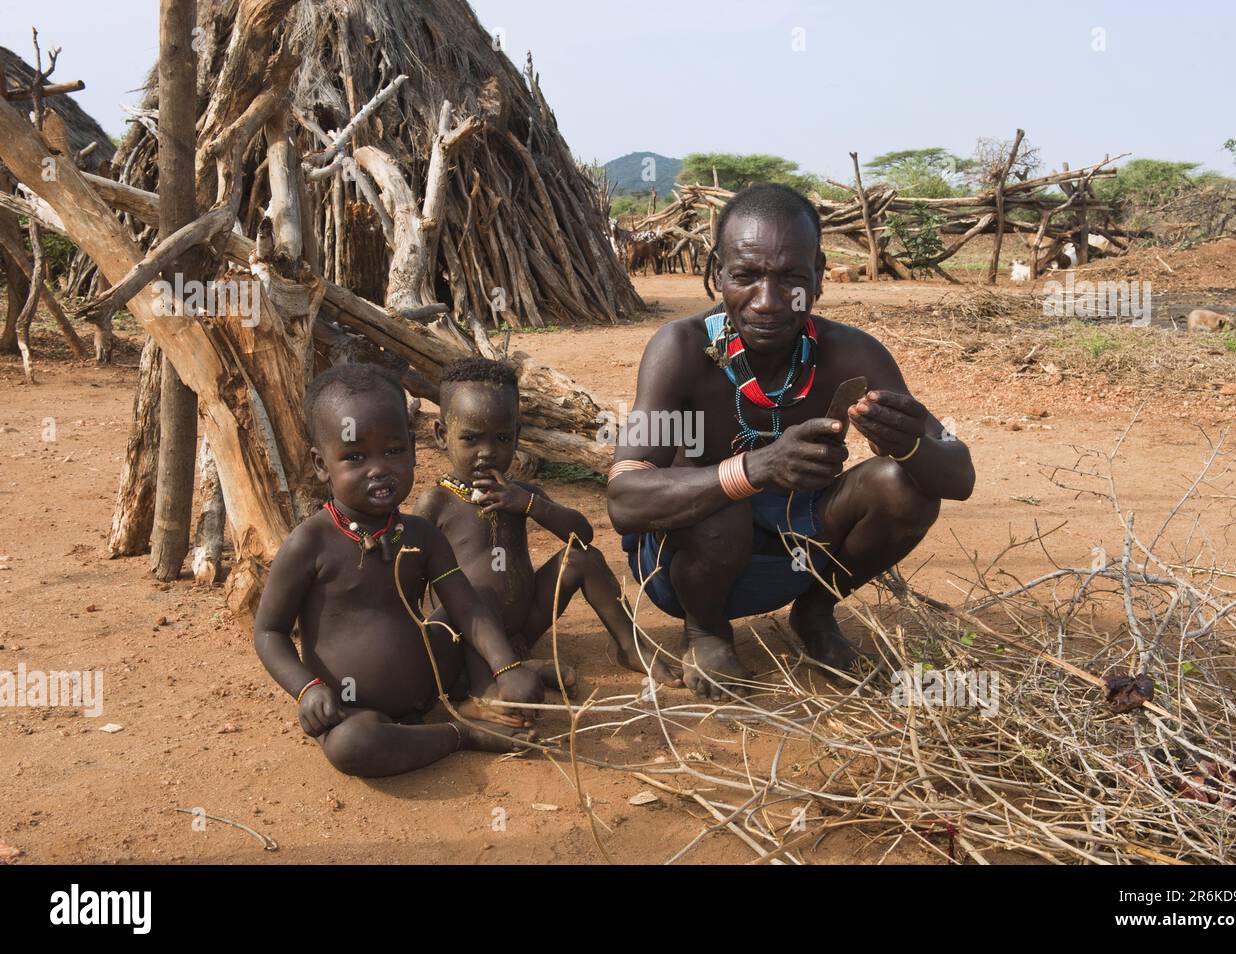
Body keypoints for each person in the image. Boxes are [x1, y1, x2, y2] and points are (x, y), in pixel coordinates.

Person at [607, 183, 976, 700]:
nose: (767, 302)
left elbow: (959, 478)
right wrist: (756, 468)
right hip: (689, 564)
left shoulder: (850, 354)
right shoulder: (683, 351)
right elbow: (624, 501)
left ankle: (816, 610)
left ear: (820, 277)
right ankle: (706, 629)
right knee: (722, 501)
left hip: (802, 549)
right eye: (746, 276)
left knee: (903, 486)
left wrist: (912, 443)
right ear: (716, 272)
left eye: (791, 279)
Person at [254, 363, 544, 777]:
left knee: (479, 594)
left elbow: (467, 609)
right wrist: (307, 690)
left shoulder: (421, 534)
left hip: (430, 683)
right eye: (355, 457)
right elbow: (269, 632)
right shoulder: (309, 544)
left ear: (412, 447)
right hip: (351, 707)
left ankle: (479, 696)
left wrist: (506, 667)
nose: (378, 468)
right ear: (322, 465)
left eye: (393, 451)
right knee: (354, 746)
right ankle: (463, 735)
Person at [411, 358, 681, 689]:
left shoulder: (522, 494)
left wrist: (530, 505)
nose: (488, 452)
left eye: (502, 438)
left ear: (517, 436)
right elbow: (407, 570)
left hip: (526, 622)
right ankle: (514, 668)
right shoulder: (437, 502)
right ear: (442, 435)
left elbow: (582, 535)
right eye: (470, 438)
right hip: (471, 632)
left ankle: (631, 646)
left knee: (584, 558)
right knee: (474, 592)